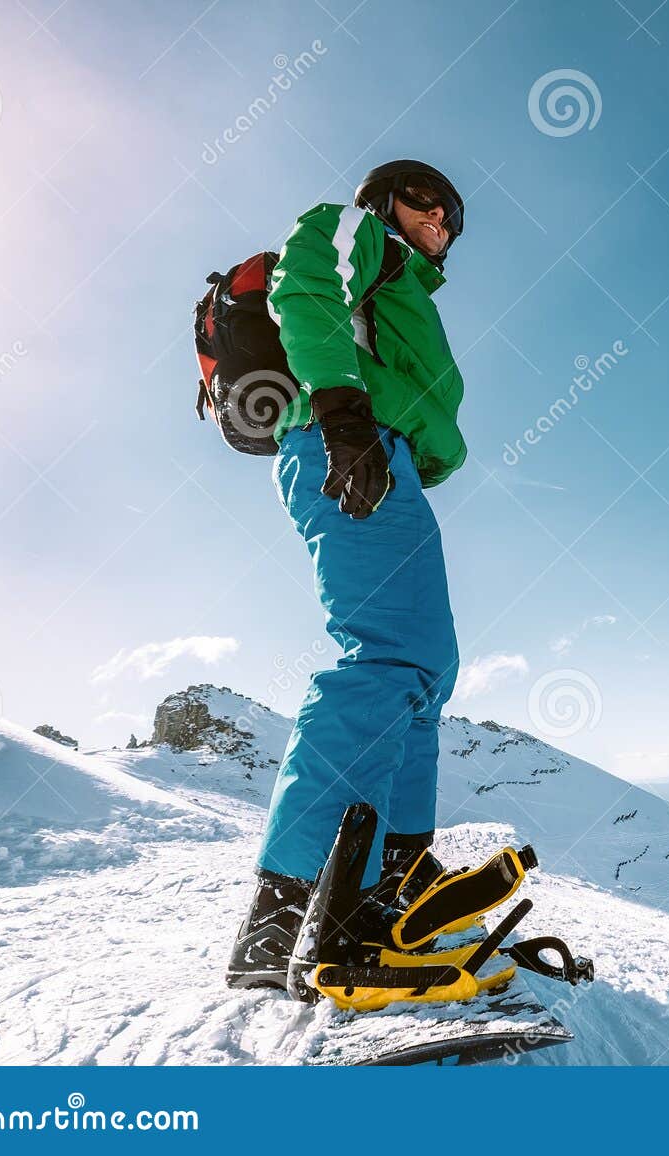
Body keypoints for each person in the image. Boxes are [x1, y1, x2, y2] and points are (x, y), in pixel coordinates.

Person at [226, 160, 473, 990]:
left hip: (381, 457)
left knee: (424, 669)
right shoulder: (354, 229)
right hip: (347, 447)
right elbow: (305, 288)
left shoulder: (401, 280)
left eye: (452, 216)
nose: (440, 218)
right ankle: (299, 915)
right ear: (384, 199)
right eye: (424, 200)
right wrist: (341, 415)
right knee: (387, 659)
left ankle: (393, 882)